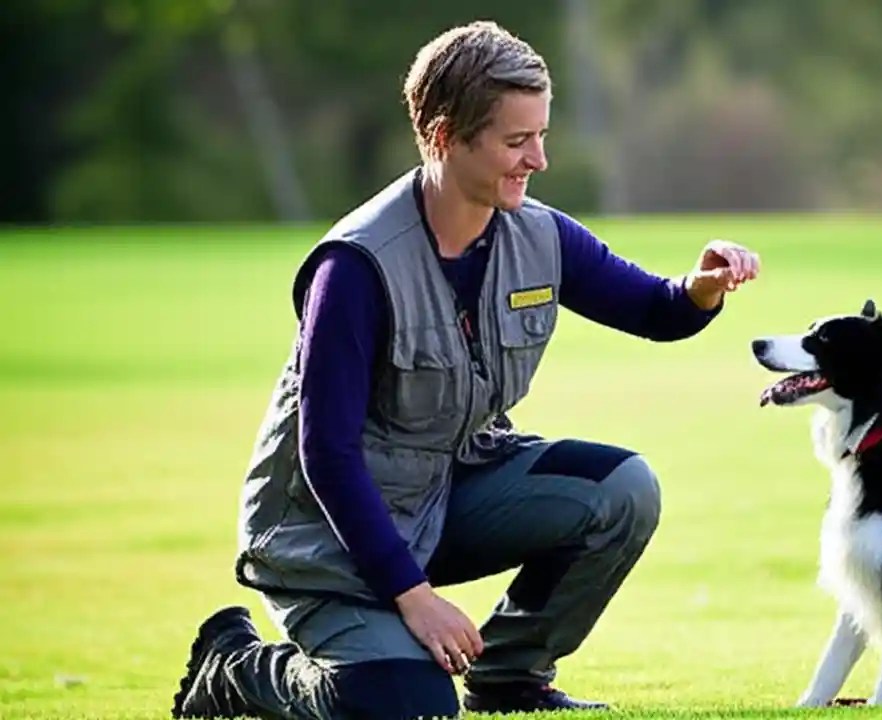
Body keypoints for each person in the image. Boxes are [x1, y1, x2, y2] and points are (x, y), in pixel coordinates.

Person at [171, 20, 760, 720]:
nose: (538, 159)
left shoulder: (540, 233)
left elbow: (656, 310)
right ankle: (237, 668)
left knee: (623, 489)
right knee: (408, 707)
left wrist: (703, 285)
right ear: (446, 136)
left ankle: (511, 679)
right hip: (330, 534)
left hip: (447, 492)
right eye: (517, 141)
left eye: (541, 135)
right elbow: (326, 455)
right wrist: (413, 597)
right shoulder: (354, 268)